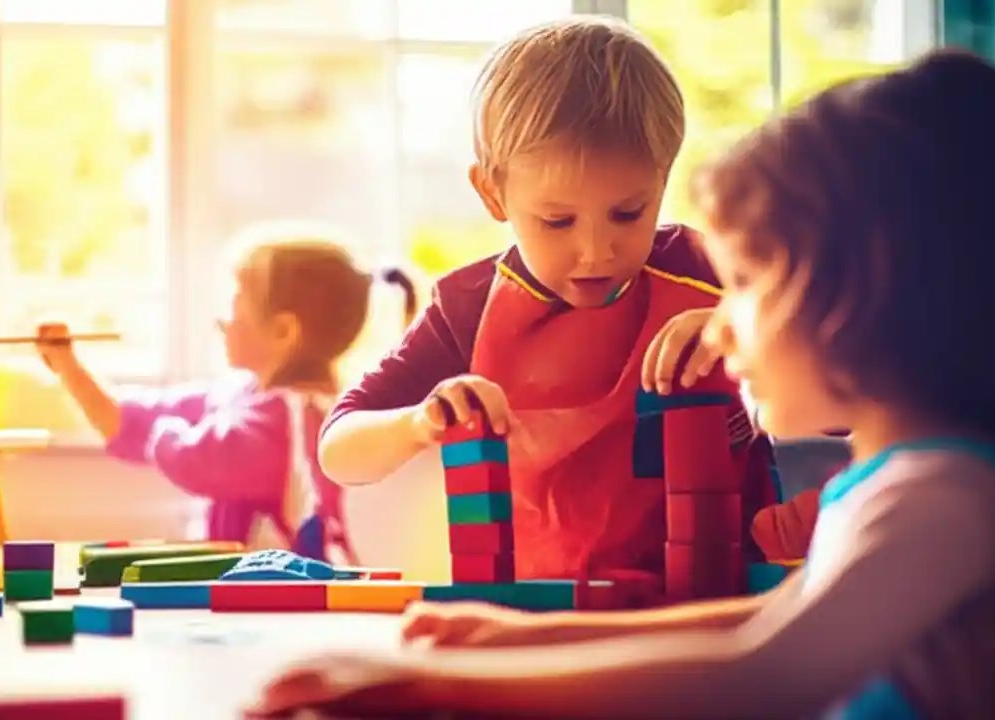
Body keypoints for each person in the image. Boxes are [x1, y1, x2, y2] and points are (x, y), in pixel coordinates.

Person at [246, 49, 995, 719]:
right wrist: (523, 637)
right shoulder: (911, 488)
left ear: (855, 303)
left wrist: (436, 685)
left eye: (744, 288)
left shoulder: (943, 498)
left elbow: (764, 676)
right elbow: (763, 618)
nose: (722, 324)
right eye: (559, 219)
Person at [317, 15, 778, 592]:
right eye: (557, 220)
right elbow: (339, 448)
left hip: (715, 602)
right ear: (492, 193)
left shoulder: (707, 268)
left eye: (628, 213)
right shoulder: (467, 308)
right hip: (541, 606)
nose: (596, 251)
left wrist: (742, 324)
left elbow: (842, 347)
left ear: (662, 179)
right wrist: (419, 421)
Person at [37, 224, 416, 563]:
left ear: (284, 331)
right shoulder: (246, 396)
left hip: (294, 604)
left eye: (235, 306)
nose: (221, 321)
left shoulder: (286, 422)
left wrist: (166, 432)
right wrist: (69, 367)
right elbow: (126, 420)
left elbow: (196, 458)